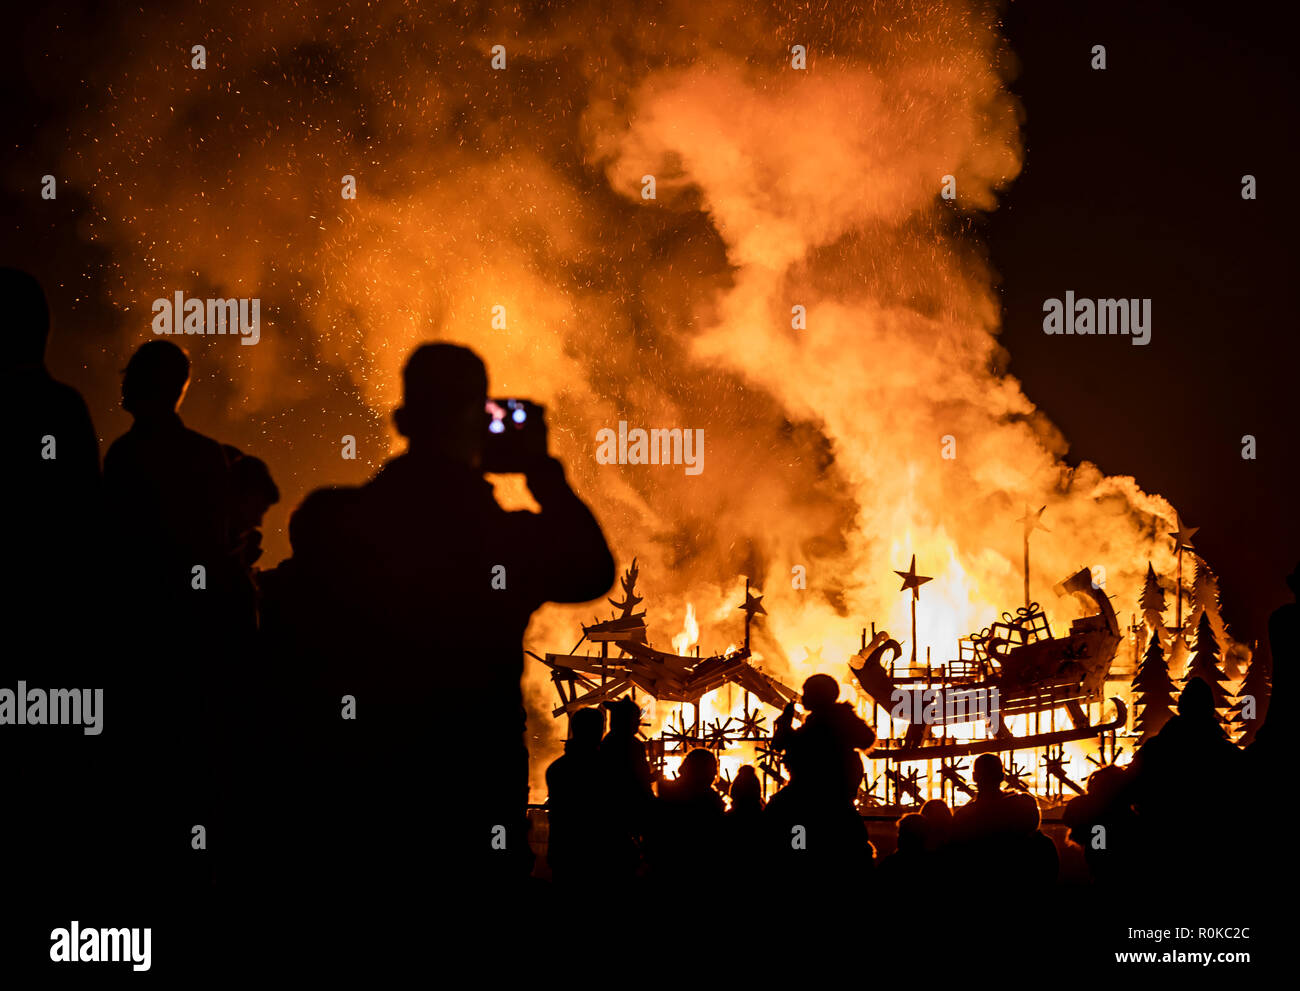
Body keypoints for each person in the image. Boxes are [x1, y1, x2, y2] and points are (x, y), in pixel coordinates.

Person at [278, 342, 615, 900]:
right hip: (467, 803)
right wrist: (540, 471)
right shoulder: (500, 539)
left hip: (356, 802)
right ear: (479, 426)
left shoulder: (332, 520)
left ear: (403, 419)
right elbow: (591, 570)